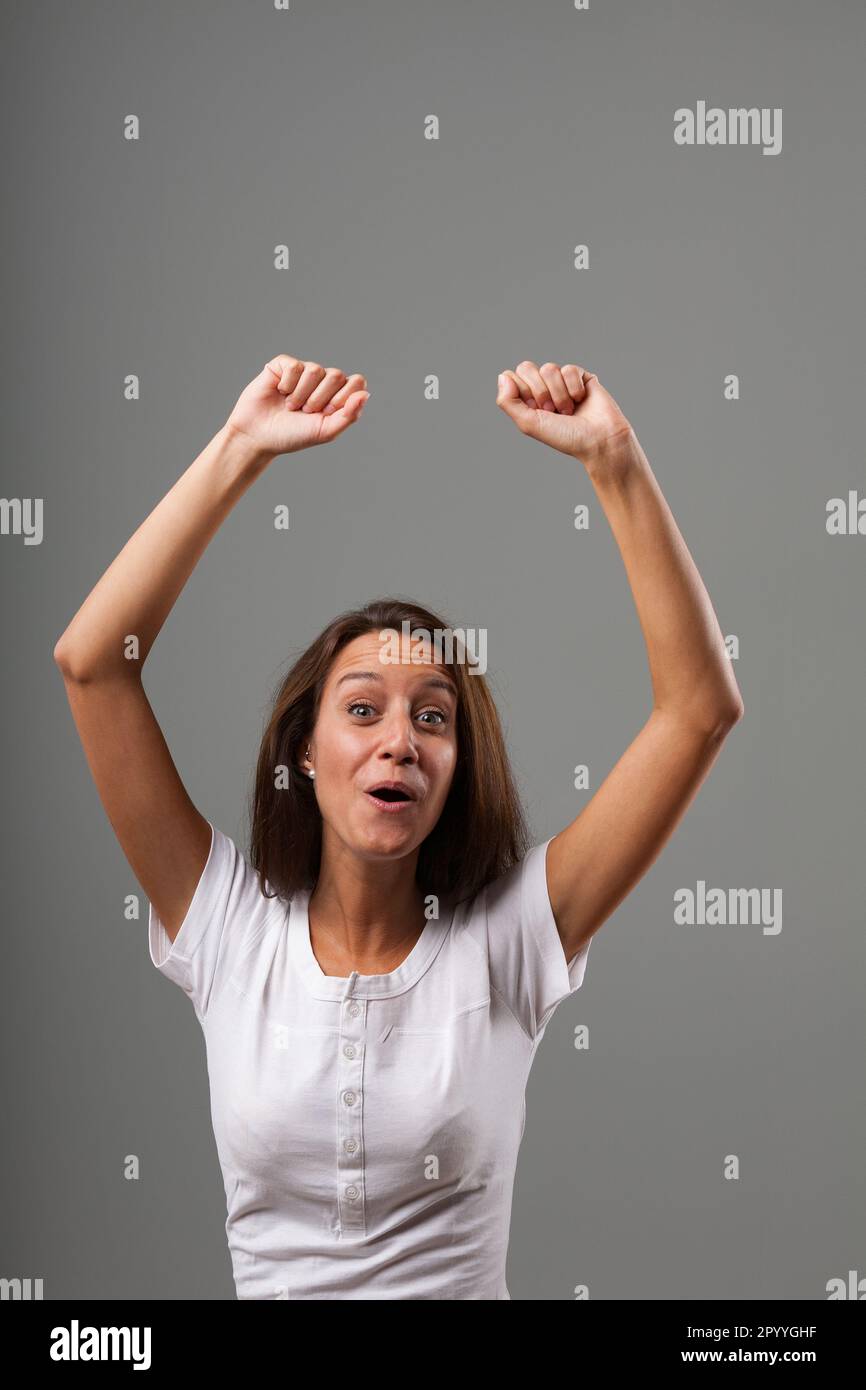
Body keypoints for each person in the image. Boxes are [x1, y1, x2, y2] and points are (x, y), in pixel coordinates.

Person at [54, 353, 744, 1300]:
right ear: (304, 748)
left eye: (433, 716)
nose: (400, 743)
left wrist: (615, 461)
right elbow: (94, 666)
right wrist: (241, 450)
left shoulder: (508, 942)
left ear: (458, 769)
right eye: (363, 709)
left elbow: (698, 710)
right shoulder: (228, 929)